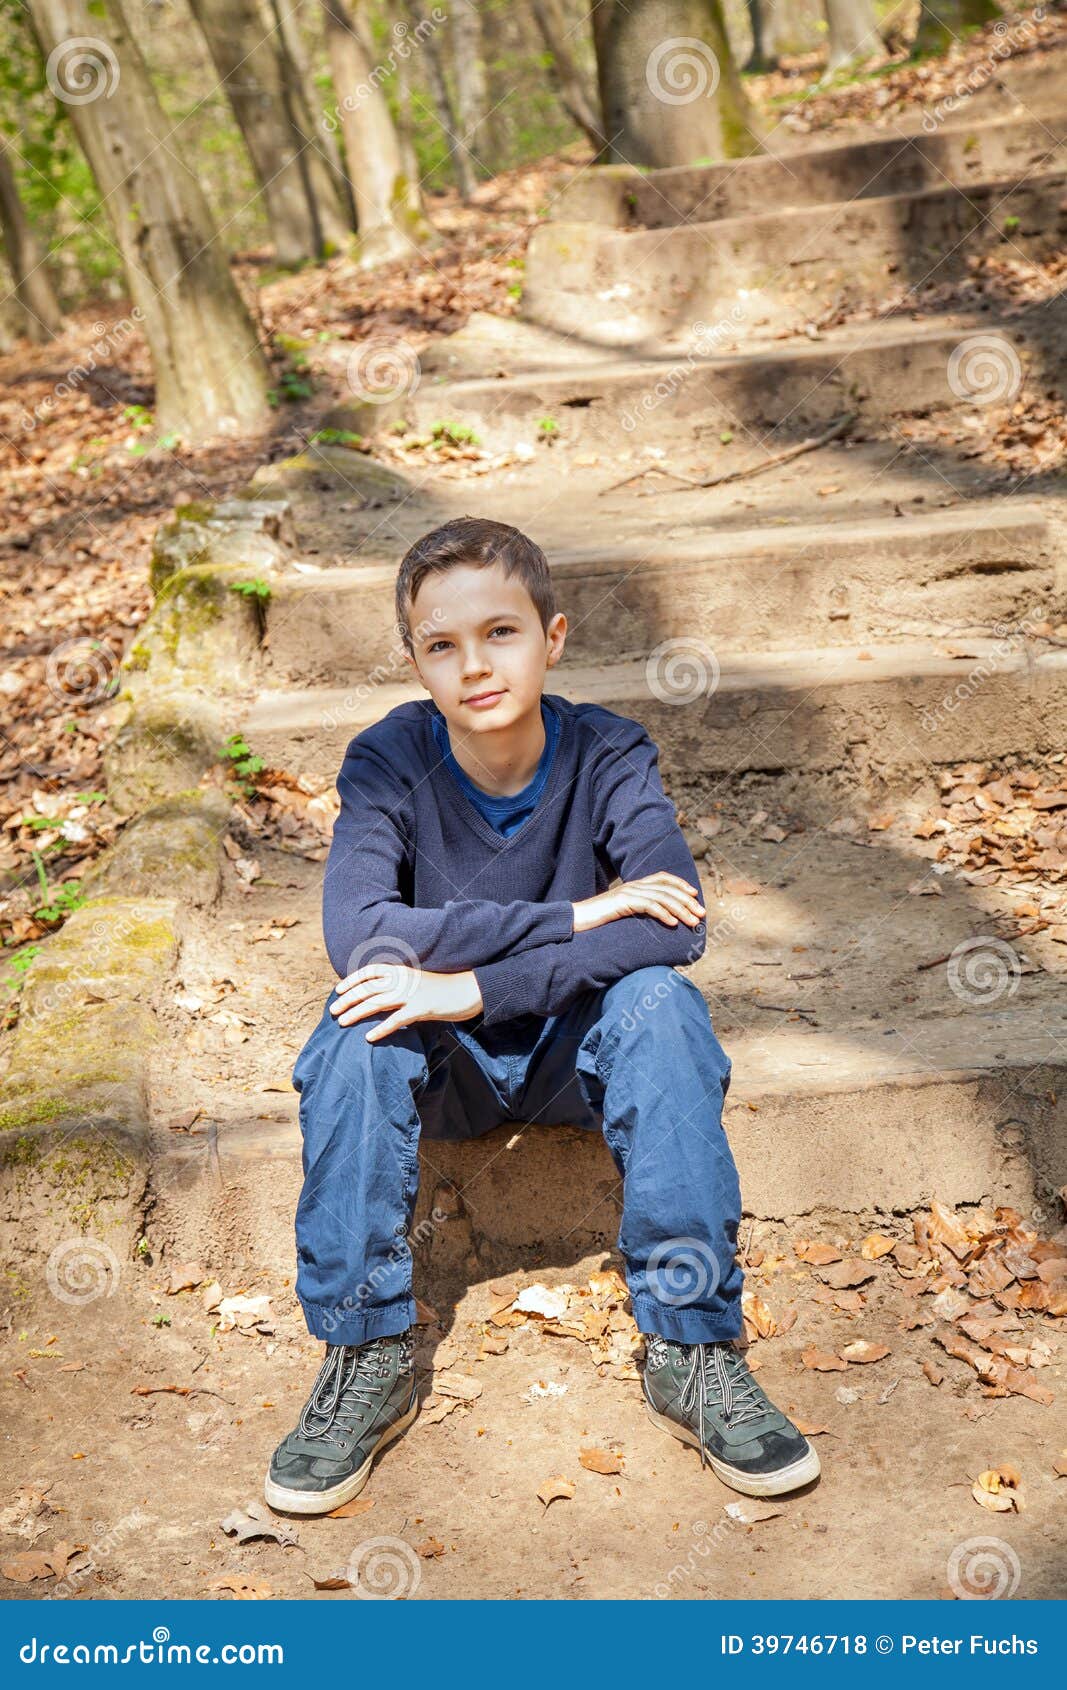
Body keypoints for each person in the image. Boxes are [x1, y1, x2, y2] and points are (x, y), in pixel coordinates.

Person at [264, 516, 820, 1515]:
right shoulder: (387, 762)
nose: (474, 665)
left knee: (660, 1004)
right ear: (414, 661)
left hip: (575, 1051)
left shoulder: (607, 751)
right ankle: (367, 1349)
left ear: (551, 637)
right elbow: (363, 935)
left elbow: (670, 924)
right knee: (353, 1025)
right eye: (441, 645)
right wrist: (573, 913)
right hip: (446, 1069)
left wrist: (474, 984)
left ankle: (691, 1346)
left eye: (500, 633)